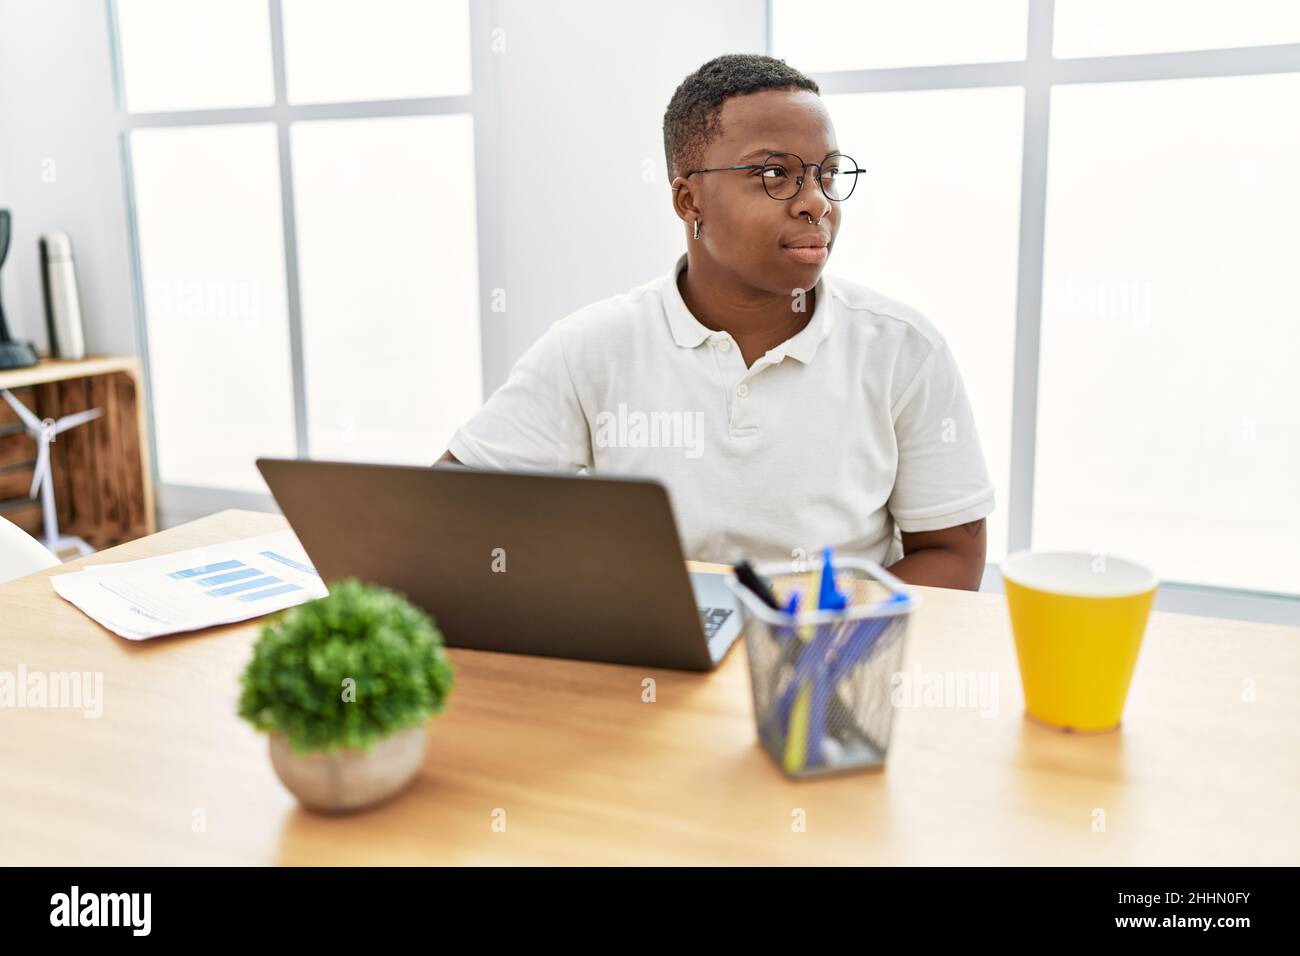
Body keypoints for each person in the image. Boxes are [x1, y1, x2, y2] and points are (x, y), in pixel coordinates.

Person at [439, 54, 994, 590]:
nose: (816, 203)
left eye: (827, 174)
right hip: (659, 668)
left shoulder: (903, 350)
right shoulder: (592, 346)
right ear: (689, 201)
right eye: (775, 174)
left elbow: (953, 552)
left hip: (829, 667)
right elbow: (445, 513)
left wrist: (811, 643)